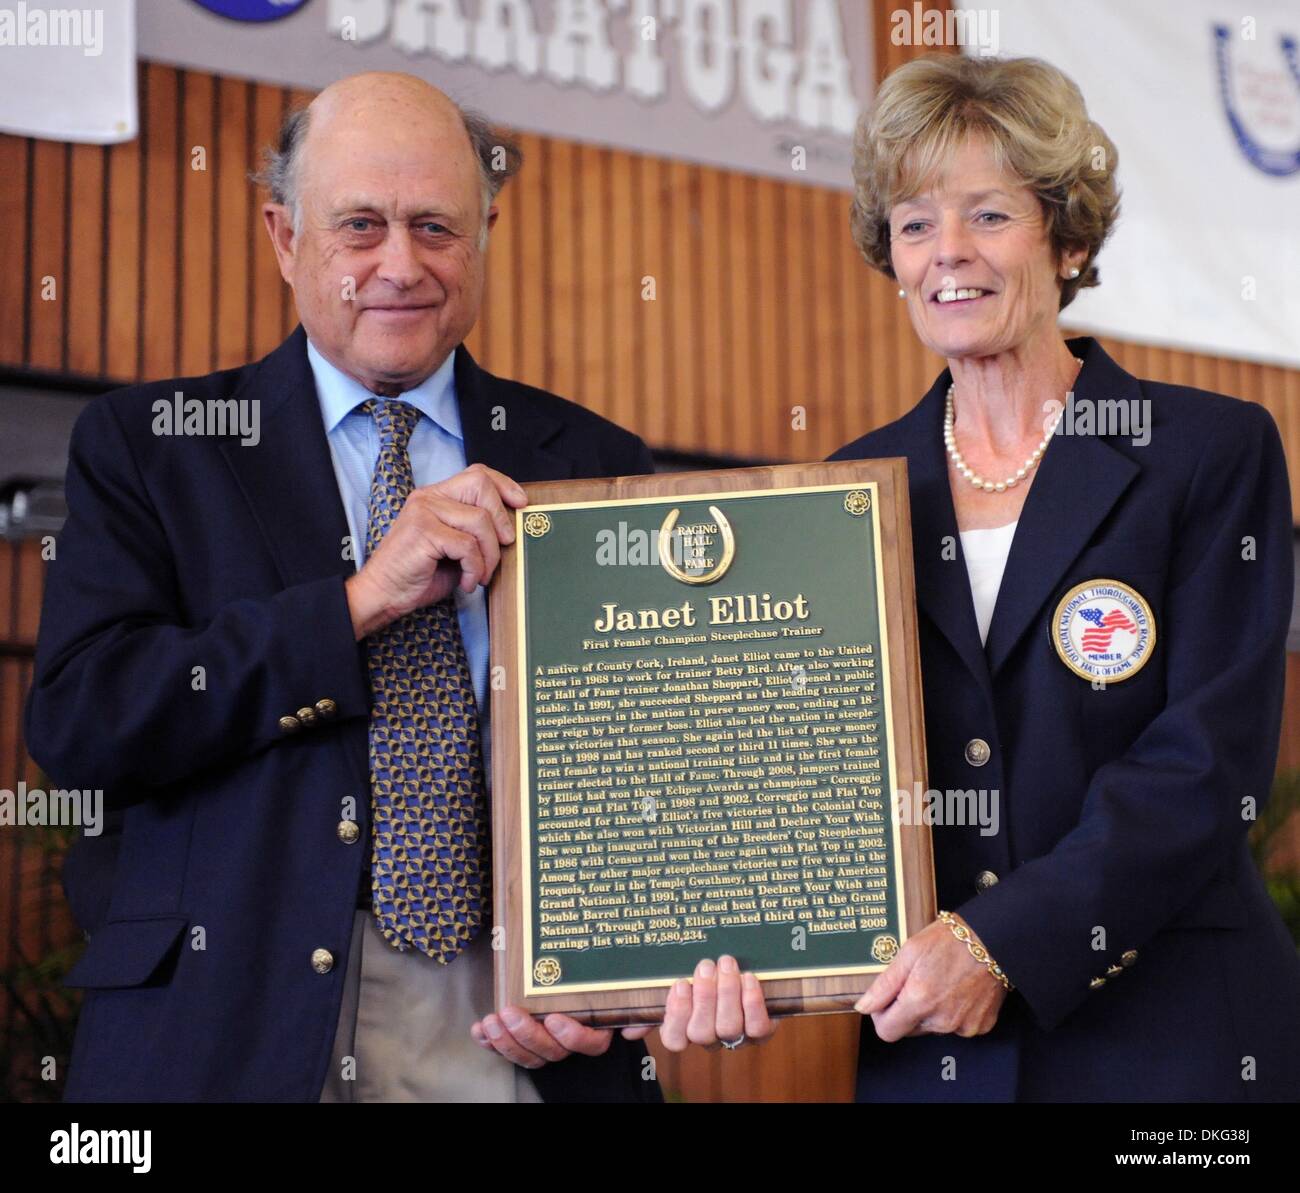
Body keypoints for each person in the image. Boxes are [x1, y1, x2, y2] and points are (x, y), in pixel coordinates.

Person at [26, 71, 669, 1102]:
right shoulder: (152, 448)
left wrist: (641, 958)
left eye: (436, 227)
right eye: (360, 225)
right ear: (285, 236)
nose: (400, 265)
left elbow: (658, 762)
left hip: (520, 1023)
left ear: (487, 232)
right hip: (226, 1025)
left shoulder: (594, 462)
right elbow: (84, 720)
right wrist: (355, 602)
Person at [829, 53, 1300, 1101]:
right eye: (914, 223)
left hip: (1175, 1044)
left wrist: (997, 942)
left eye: (989, 215)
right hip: (934, 1057)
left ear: (1068, 238)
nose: (948, 252)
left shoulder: (1205, 452)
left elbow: (1203, 764)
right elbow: (808, 774)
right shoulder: (843, 495)